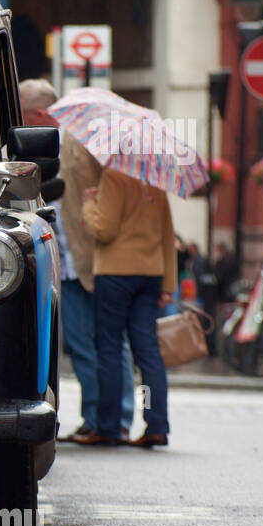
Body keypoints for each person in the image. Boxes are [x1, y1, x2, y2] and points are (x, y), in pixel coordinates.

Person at [17, 79, 134, 440]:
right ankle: (96, 418)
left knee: (109, 341)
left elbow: (114, 188)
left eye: (22, 114)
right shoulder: (37, 146)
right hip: (64, 260)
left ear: (38, 113)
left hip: (95, 256)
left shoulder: (83, 139)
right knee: (82, 344)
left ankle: (118, 417)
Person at [74, 168, 175, 448]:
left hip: (116, 272)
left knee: (109, 349)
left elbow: (104, 230)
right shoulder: (157, 179)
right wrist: (168, 284)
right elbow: (168, 234)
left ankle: (109, 427)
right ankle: (157, 425)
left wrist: (89, 203)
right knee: (148, 352)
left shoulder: (114, 177)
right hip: (151, 273)